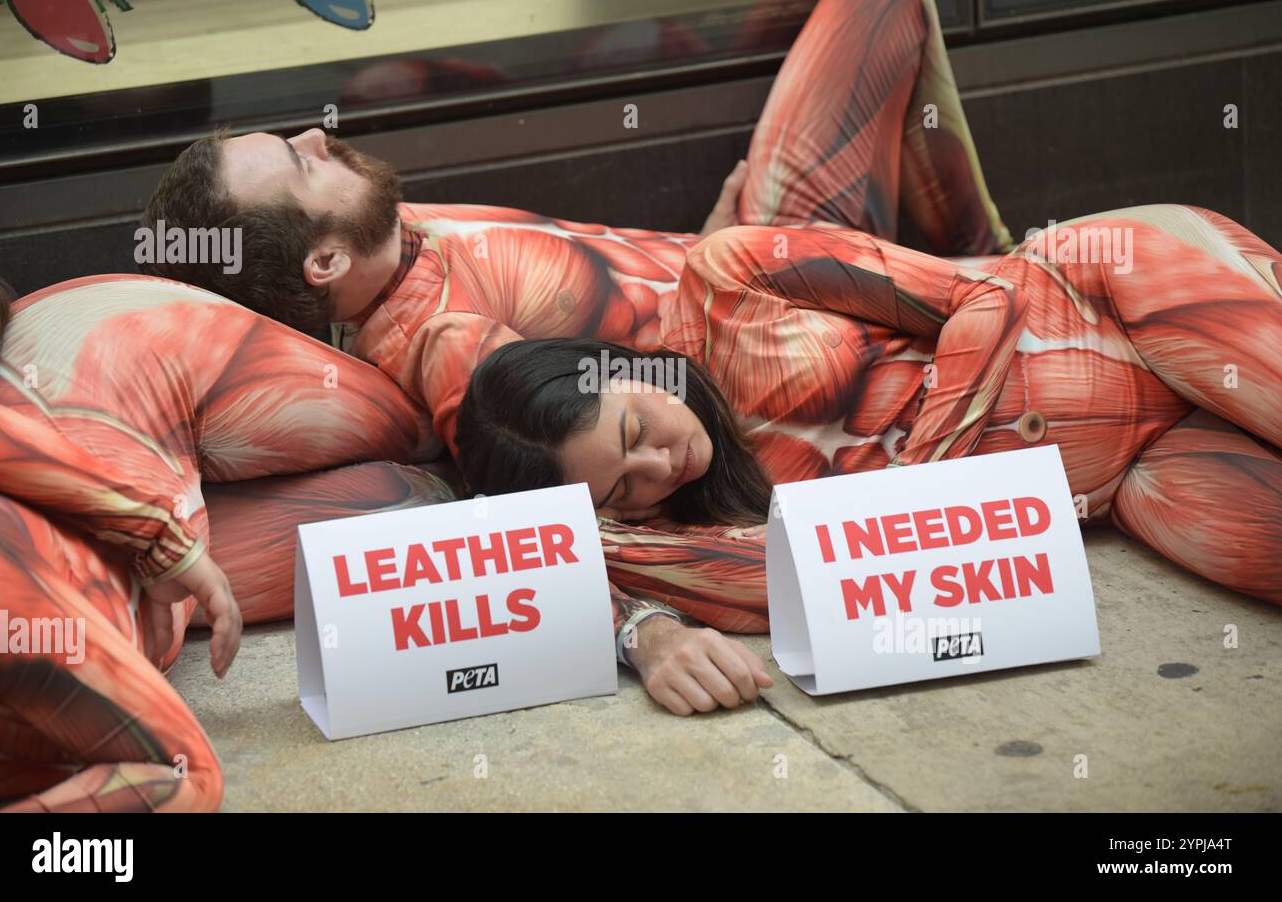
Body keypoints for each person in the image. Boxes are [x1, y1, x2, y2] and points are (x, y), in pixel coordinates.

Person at [138, 0, 1011, 688]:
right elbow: (540, 530)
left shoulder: (382, 237)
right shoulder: (442, 345)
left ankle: (978, 264)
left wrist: (711, 248)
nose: (317, 138)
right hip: (782, 346)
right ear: (322, 264)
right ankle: (988, 282)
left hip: (746, 263)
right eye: (299, 163)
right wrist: (648, 634)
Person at [452, 207, 1282, 714]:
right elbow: (528, 569)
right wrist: (644, 632)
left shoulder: (730, 278)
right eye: (624, 488)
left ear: (621, 364)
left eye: (637, 428)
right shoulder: (686, 524)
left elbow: (985, 297)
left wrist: (914, 499)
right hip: (1128, 475)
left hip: (1111, 304)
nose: (664, 464)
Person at [0, 266, 454, 811]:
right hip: (101, 521)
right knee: (426, 491)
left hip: (105, 393)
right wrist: (159, 538)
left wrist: (158, 538)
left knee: (424, 446)